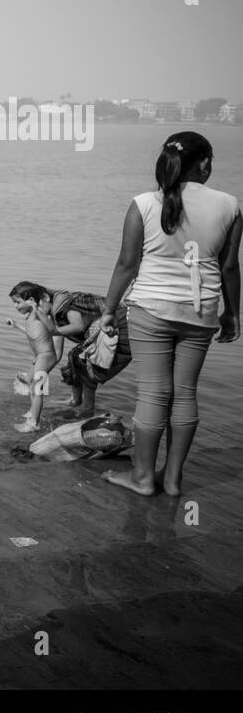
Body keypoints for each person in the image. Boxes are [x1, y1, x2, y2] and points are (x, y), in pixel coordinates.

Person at [97, 133, 240, 497]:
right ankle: (173, 480)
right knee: (185, 392)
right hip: (202, 311)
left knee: (153, 393)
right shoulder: (230, 204)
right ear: (204, 163)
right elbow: (229, 268)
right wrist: (232, 315)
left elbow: (127, 264)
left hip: (151, 310)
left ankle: (143, 478)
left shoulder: (143, 204)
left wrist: (109, 310)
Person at [9, 280, 131, 415]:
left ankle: (87, 408)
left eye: (35, 307)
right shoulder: (52, 314)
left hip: (121, 326)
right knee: (74, 356)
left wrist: (54, 331)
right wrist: (33, 372)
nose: (36, 313)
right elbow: (54, 351)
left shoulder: (64, 306)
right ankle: (75, 400)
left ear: (45, 298)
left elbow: (78, 326)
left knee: (87, 363)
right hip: (103, 329)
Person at [6, 286, 58, 433]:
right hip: (40, 356)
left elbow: (51, 328)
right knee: (30, 382)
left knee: (37, 388)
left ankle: (33, 423)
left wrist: (38, 310)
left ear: (30, 301)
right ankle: (32, 412)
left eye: (17, 302)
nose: (15, 306)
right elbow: (31, 332)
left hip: (46, 355)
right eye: (14, 303)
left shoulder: (37, 312)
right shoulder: (30, 316)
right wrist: (16, 325)